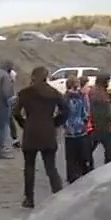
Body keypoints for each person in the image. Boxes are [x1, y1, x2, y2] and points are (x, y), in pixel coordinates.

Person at [12, 66, 66, 208]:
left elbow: (16, 112)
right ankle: (58, 193)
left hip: (31, 131)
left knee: (29, 166)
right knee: (50, 166)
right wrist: (55, 122)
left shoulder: (25, 93)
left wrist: (24, 124)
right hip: (48, 130)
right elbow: (66, 110)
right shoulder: (54, 93)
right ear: (46, 77)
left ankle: (29, 198)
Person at [62, 77, 93, 183]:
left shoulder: (66, 98)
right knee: (78, 157)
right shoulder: (78, 98)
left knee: (74, 158)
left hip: (73, 132)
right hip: (77, 132)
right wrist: (83, 123)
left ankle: (74, 177)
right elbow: (85, 112)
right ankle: (78, 176)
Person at [89, 74, 111, 165]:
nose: (108, 83)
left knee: (89, 150)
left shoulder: (92, 92)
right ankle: (107, 168)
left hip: (94, 125)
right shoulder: (102, 95)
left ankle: (87, 167)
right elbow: (107, 112)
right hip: (104, 126)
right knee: (109, 150)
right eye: (108, 81)